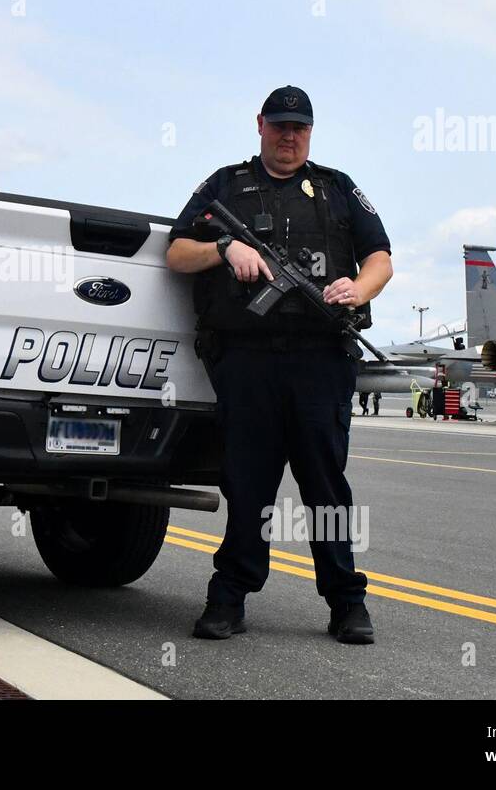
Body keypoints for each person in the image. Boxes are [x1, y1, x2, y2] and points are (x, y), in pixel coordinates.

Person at [166, 85, 393, 645]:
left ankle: (346, 602)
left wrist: (357, 289)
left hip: (320, 359)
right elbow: (175, 252)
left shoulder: (339, 189)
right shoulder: (224, 186)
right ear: (260, 125)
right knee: (249, 484)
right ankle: (229, 598)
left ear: (310, 133)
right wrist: (224, 250)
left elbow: (381, 259)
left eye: (301, 128)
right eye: (280, 126)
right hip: (247, 361)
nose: (289, 136)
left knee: (326, 487)